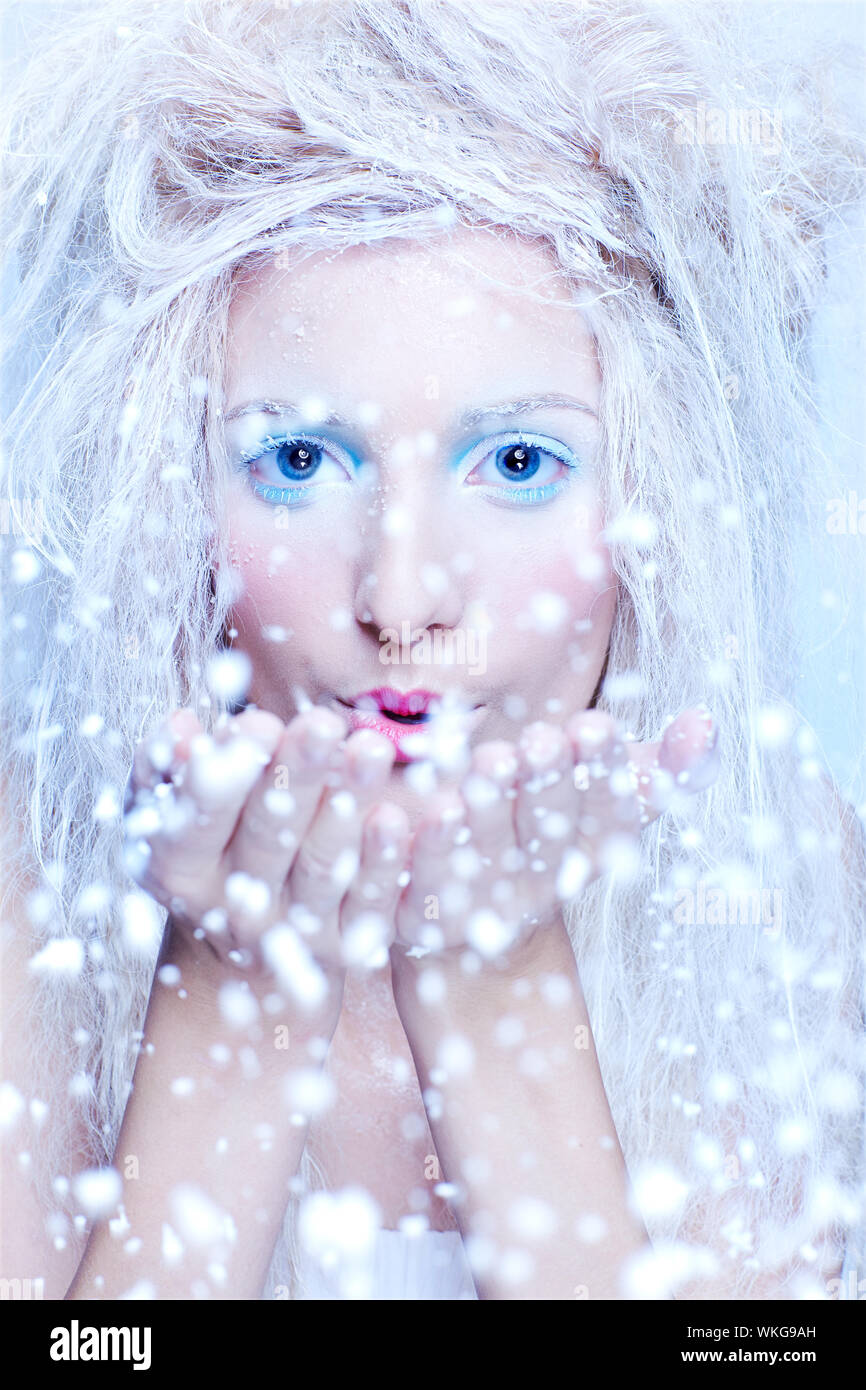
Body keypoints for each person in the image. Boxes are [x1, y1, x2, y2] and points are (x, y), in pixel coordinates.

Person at [1, 0, 863, 1302]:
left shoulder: (778, 873)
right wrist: (232, 1006)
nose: (402, 601)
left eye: (517, 461)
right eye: (298, 460)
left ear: (651, 489)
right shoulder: (31, 891)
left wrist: (497, 993)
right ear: (169, 492)